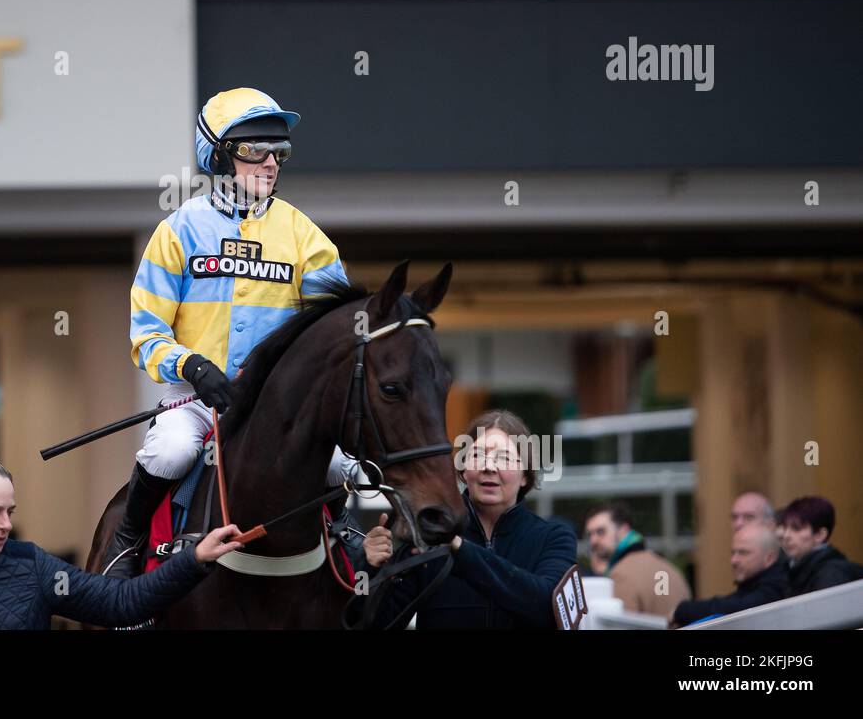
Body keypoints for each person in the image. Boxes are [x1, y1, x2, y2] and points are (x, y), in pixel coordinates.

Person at [107, 87, 356, 578]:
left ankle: (347, 541)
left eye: (279, 152)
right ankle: (126, 541)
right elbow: (145, 334)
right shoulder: (176, 231)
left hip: (280, 406)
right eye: (253, 151)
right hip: (196, 399)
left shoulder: (307, 236)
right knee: (170, 450)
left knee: (344, 466)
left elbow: (334, 333)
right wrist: (194, 367)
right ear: (218, 156)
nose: (270, 163)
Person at [0, 454, 242, 629]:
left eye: (9, 512)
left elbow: (120, 603)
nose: (5, 524)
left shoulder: (32, 565)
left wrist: (194, 558)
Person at [359, 410, 577, 629]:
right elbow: (371, 623)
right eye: (477, 456)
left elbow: (549, 609)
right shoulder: (430, 538)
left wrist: (461, 550)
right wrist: (368, 569)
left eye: (504, 458)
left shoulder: (553, 537)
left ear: (526, 475)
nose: (489, 467)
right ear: (463, 471)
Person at [584, 500, 690, 618]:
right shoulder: (668, 567)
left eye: (600, 532)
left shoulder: (621, 574)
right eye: (590, 534)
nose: (593, 541)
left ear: (623, 530)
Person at [671, 524, 787, 626]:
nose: (734, 560)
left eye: (743, 552)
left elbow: (740, 608)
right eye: (733, 553)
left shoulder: (776, 586)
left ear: (769, 558)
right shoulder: (752, 583)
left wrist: (681, 610)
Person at [779, 496, 863, 597]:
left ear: (820, 535)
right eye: (784, 527)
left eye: (796, 528)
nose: (786, 535)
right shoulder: (791, 569)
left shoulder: (831, 573)